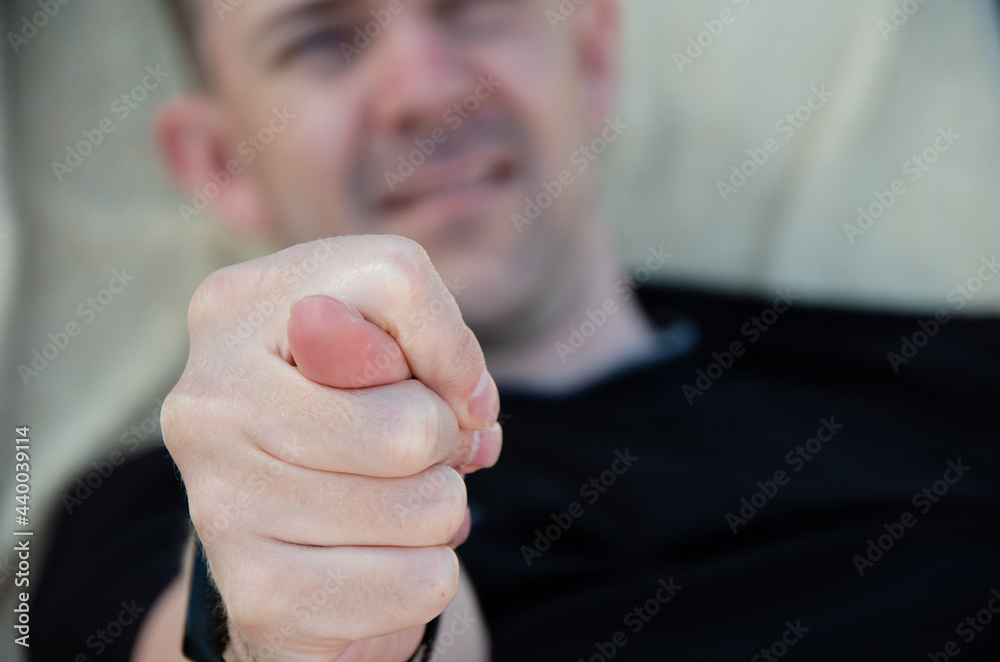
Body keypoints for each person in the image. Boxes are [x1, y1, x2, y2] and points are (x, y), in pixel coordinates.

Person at [31, 0, 1000, 660]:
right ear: (219, 163)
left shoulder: (948, 372)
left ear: (590, 55)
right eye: (323, 38)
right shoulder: (161, 510)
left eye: (470, 3)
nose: (425, 86)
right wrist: (286, 606)